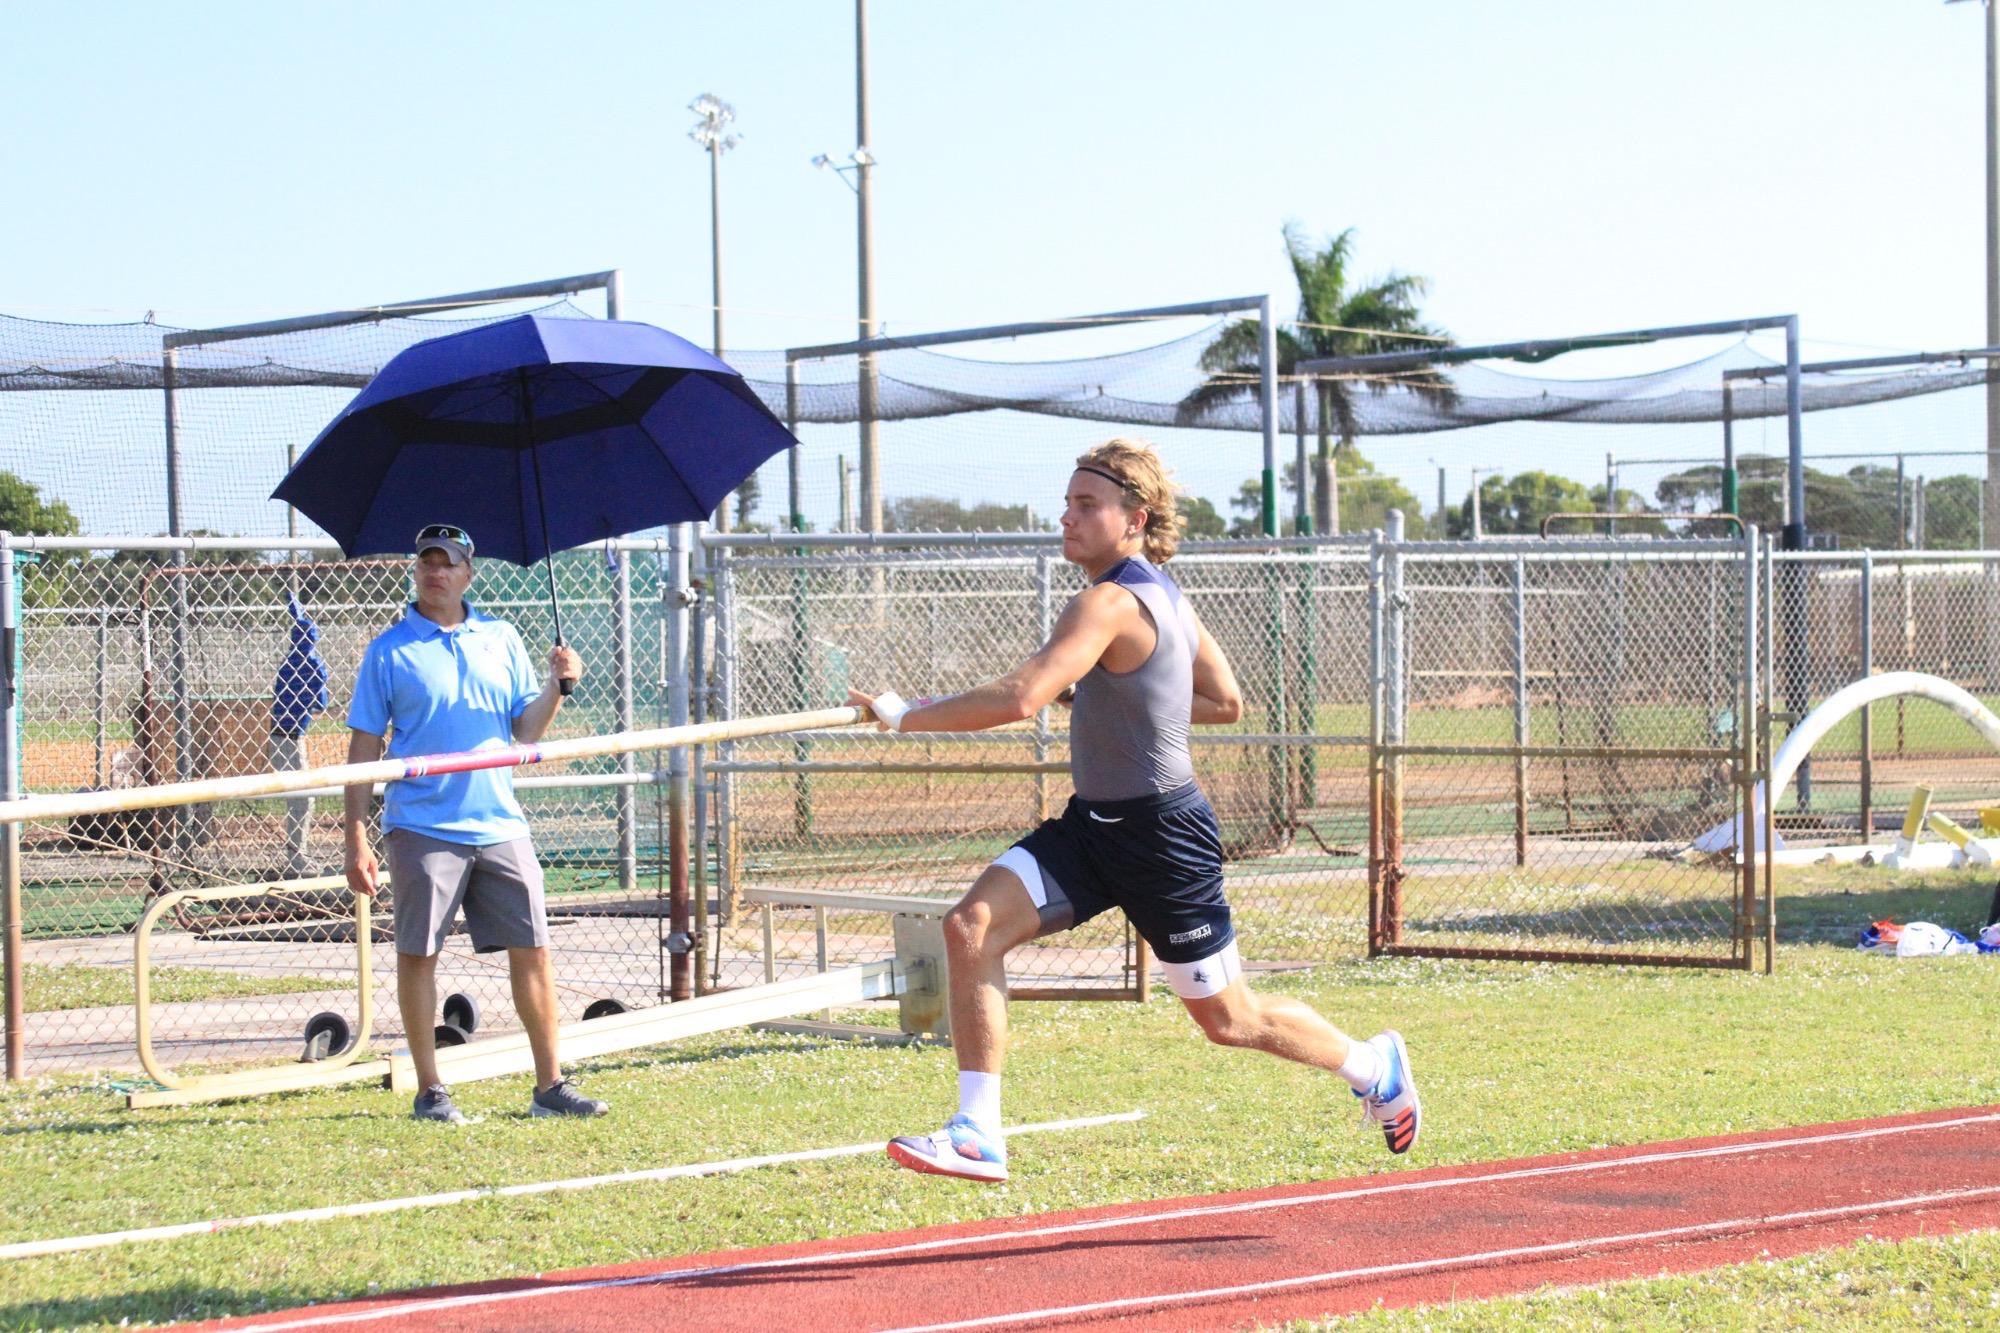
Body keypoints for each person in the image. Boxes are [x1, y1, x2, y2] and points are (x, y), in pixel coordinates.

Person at [850, 439, 1417, 1183]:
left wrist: (904, 715)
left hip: (1162, 838)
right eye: (1068, 502)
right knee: (970, 926)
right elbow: (1221, 701)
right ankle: (977, 1130)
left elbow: (1023, 695)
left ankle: (1374, 1065)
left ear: (1135, 518)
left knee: (1229, 1020)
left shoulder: (1110, 600)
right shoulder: (1167, 595)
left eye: (1088, 505)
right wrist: (1109, 693)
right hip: (1092, 829)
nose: (1067, 517)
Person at [343, 523, 607, 1124]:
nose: (435, 571)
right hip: (422, 826)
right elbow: (363, 748)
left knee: (534, 949)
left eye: (448, 562)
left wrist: (558, 686)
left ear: (468, 572)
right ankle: (430, 1091)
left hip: (499, 822)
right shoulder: (389, 649)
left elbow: (526, 730)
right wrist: (356, 834)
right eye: (426, 561)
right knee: (419, 954)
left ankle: (550, 1086)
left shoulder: (501, 636)